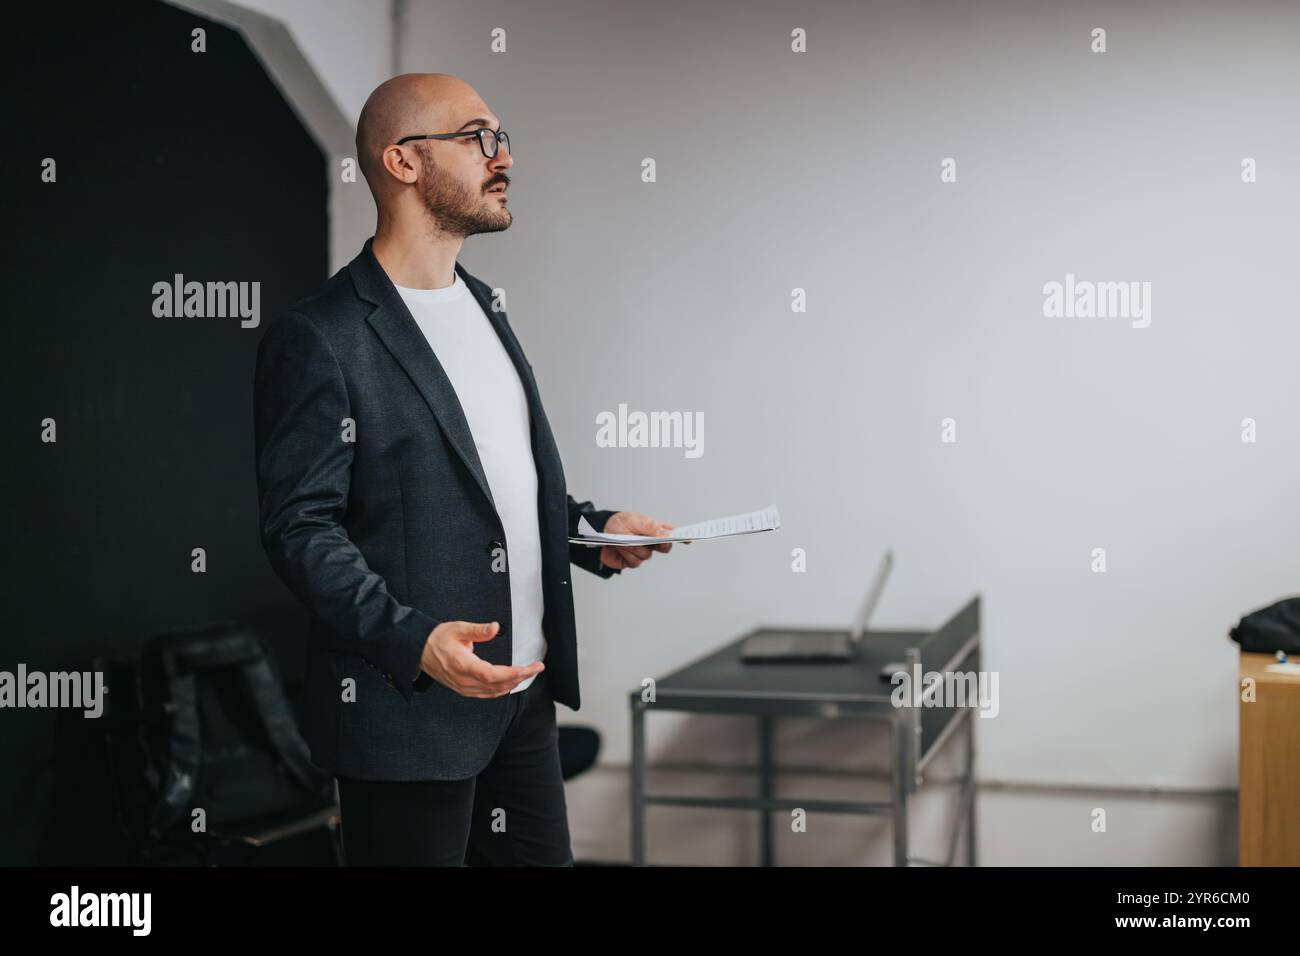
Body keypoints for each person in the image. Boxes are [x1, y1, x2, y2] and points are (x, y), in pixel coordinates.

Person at [253, 72, 675, 866]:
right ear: (405, 162)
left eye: (503, 138)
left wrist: (592, 530)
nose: (503, 155)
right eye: (478, 137)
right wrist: (413, 642)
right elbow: (299, 529)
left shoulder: (486, 306)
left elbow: (497, 489)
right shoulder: (321, 336)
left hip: (523, 702)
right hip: (407, 716)